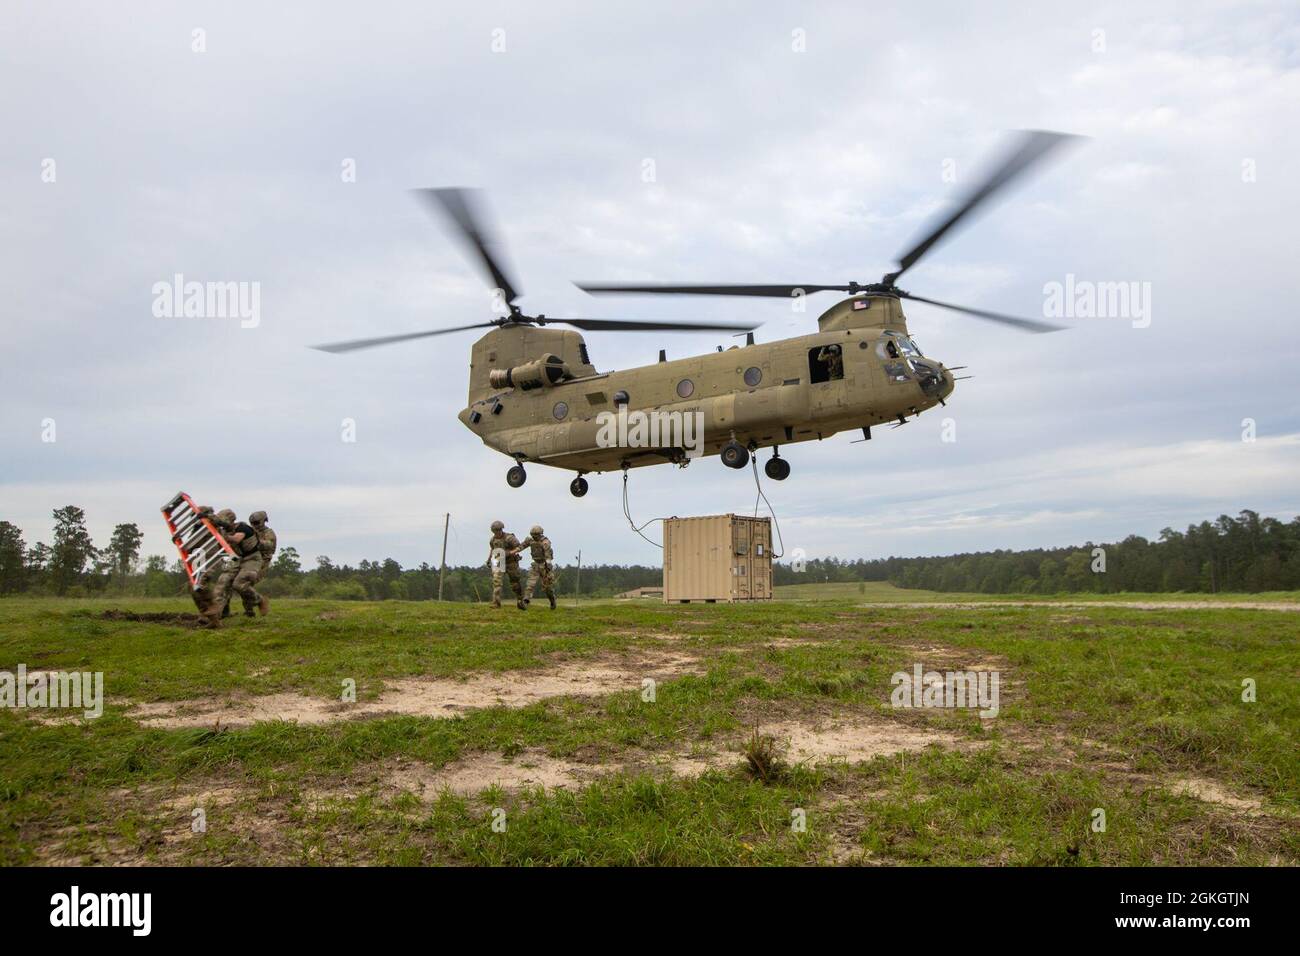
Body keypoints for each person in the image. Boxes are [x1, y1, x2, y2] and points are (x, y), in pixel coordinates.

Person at [204, 510, 268, 627]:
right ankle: (215, 618)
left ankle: (259, 600)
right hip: (234, 558)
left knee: (239, 584)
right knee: (222, 583)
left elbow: (236, 539)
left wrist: (222, 535)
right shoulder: (222, 531)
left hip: (251, 558)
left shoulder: (243, 527)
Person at [221, 510, 277, 618]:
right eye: (252, 523)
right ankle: (226, 611)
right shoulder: (250, 530)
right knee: (229, 583)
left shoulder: (269, 533)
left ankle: (249, 610)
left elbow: (270, 546)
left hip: (262, 562)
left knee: (244, 584)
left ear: (263, 521)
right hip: (245, 559)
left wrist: (255, 542)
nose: (254, 525)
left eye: (256, 523)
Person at [487, 519, 525, 610]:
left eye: (498, 530)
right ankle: (496, 603)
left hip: (511, 562)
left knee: (515, 583)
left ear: (501, 529)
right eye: (495, 531)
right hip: (498, 561)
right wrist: (489, 559)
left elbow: (519, 547)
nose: (497, 533)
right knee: (496, 581)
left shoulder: (510, 538)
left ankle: (520, 600)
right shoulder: (493, 540)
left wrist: (511, 552)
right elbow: (492, 549)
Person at [523, 525, 558, 610]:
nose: (534, 536)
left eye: (536, 534)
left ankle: (552, 601)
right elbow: (521, 546)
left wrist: (548, 566)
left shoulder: (545, 542)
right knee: (530, 584)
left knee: (547, 588)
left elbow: (548, 556)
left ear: (540, 534)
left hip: (544, 566)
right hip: (535, 565)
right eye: (533, 534)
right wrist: (513, 552)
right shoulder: (530, 540)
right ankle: (526, 601)